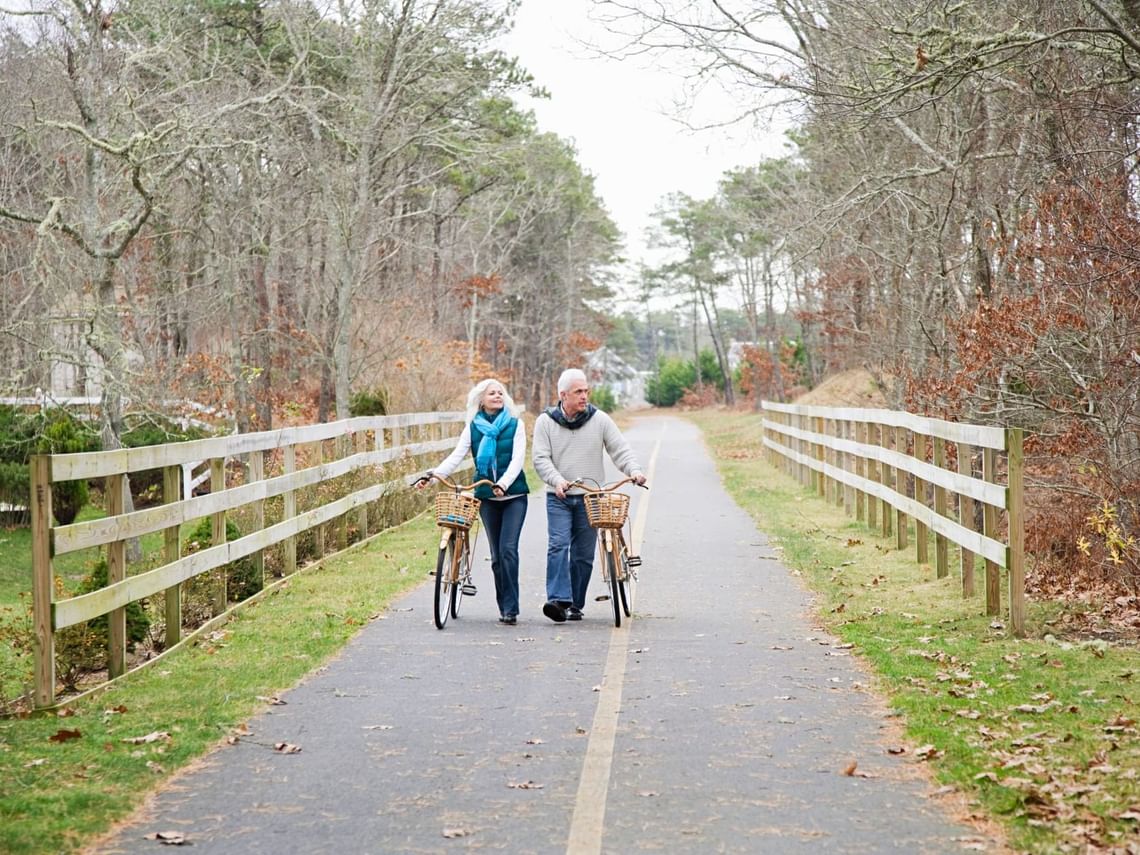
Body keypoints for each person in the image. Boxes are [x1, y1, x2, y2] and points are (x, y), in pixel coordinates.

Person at [532, 368, 645, 623]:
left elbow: (620, 449)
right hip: (559, 496)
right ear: (563, 395)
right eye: (578, 392)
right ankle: (558, 601)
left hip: (591, 498)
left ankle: (575, 604)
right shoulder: (545, 422)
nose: (584, 396)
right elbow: (540, 458)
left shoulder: (600, 419)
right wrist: (557, 480)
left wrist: (634, 471)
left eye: (586, 391)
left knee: (583, 554)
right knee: (558, 545)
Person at [422, 379, 529, 625]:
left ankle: (511, 609)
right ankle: (504, 606)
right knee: (496, 556)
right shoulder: (473, 427)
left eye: (500, 392)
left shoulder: (516, 425)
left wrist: (503, 482)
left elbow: (517, 459)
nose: (497, 396)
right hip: (487, 498)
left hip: (514, 497)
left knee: (508, 551)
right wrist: (434, 475)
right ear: (481, 399)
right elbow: (456, 456)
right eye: (492, 393)